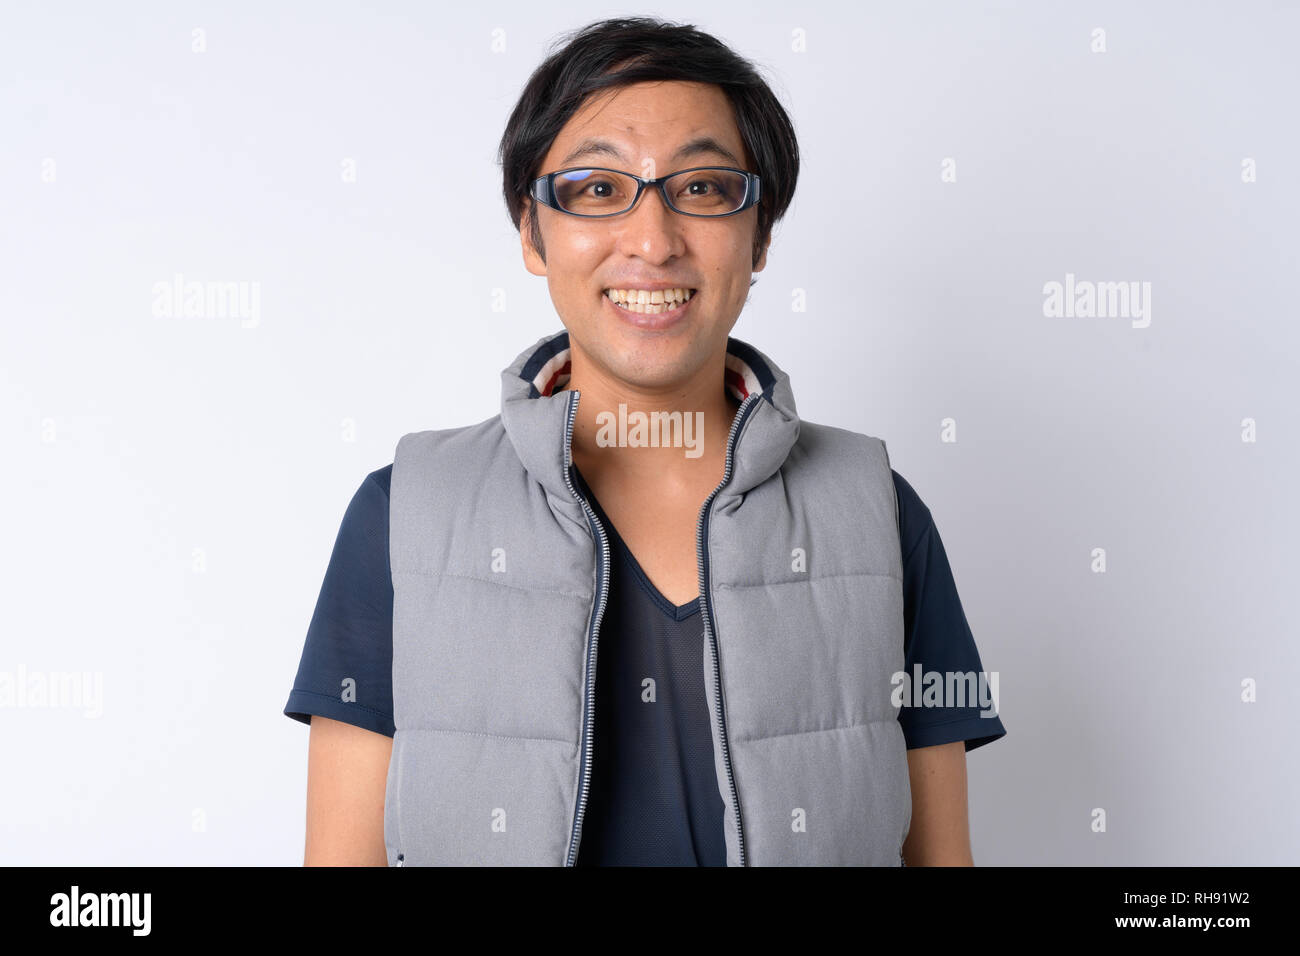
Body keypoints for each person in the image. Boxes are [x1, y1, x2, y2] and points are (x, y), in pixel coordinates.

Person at [284, 16, 1005, 867]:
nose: (654, 241)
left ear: (760, 233)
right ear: (531, 231)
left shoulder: (875, 510)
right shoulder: (405, 512)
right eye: (596, 189)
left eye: (701, 189)